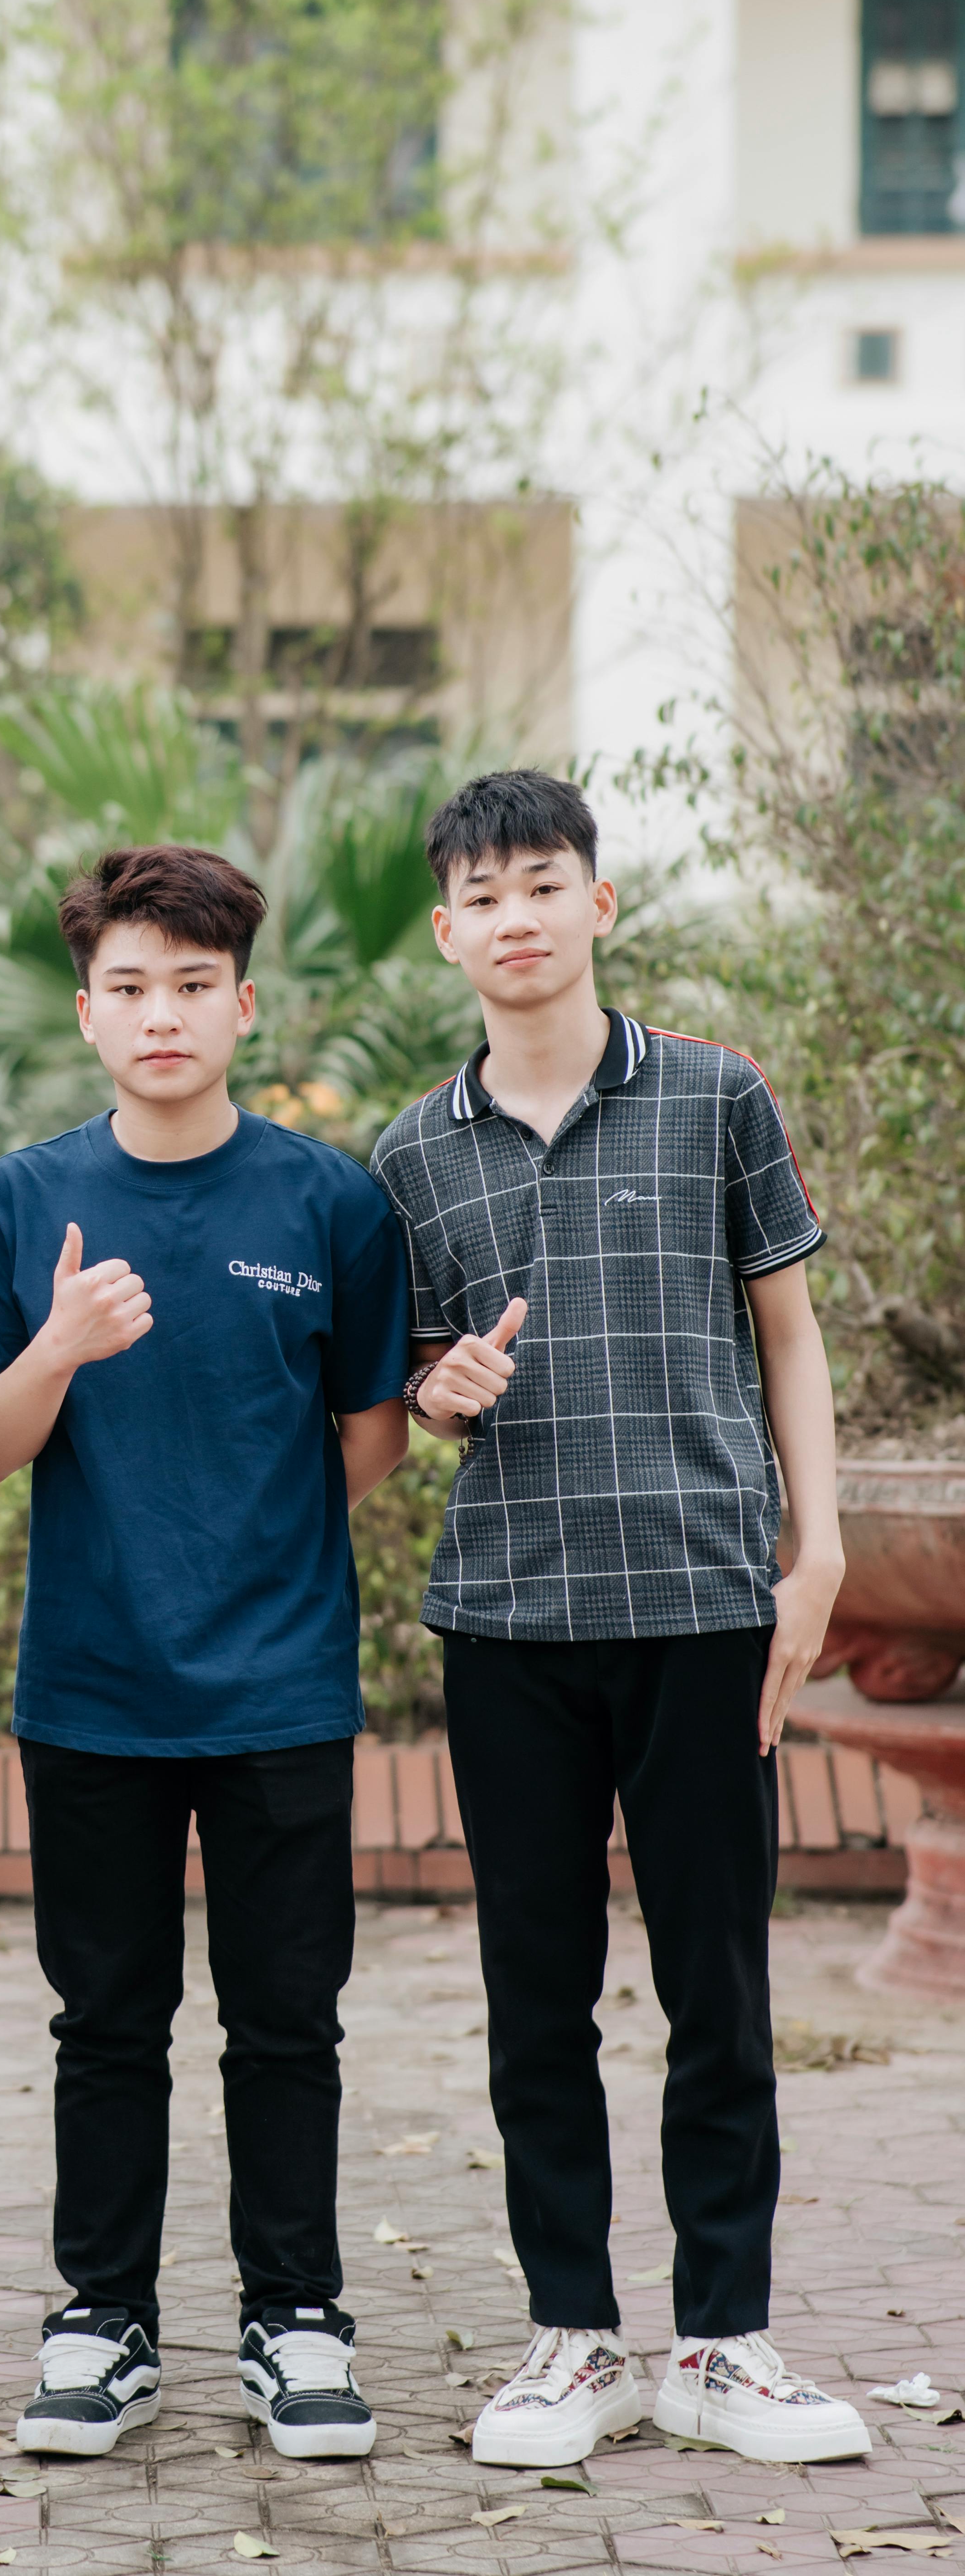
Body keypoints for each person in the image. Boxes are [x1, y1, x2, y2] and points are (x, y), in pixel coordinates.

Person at [369, 767, 870, 2468]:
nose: (513, 915)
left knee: (717, 1982)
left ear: (597, 902)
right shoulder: (410, 1153)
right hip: (507, 1618)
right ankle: (572, 2337)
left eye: (542, 883)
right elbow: (416, 1383)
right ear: (446, 932)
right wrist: (436, 1389)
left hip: (704, 1604)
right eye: (481, 894)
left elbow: (788, 1333)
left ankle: (723, 2340)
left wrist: (815, 1552)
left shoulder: (714, 1094)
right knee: (537, 1995)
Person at [0, 844, 411, 2463]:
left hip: (280, 1685)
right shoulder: (22, 1199)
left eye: (193, 985)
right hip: (91, 1686)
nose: (162, 1014)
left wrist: (249, 1543)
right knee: (106, 2019)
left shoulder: (329, 1199)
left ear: (244, 1004)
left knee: (287, 2018)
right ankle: (105, 2318)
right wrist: (59, 1344)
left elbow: (368, 1437)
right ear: (86, 1012)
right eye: (130, 987)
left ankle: (296, 2316)